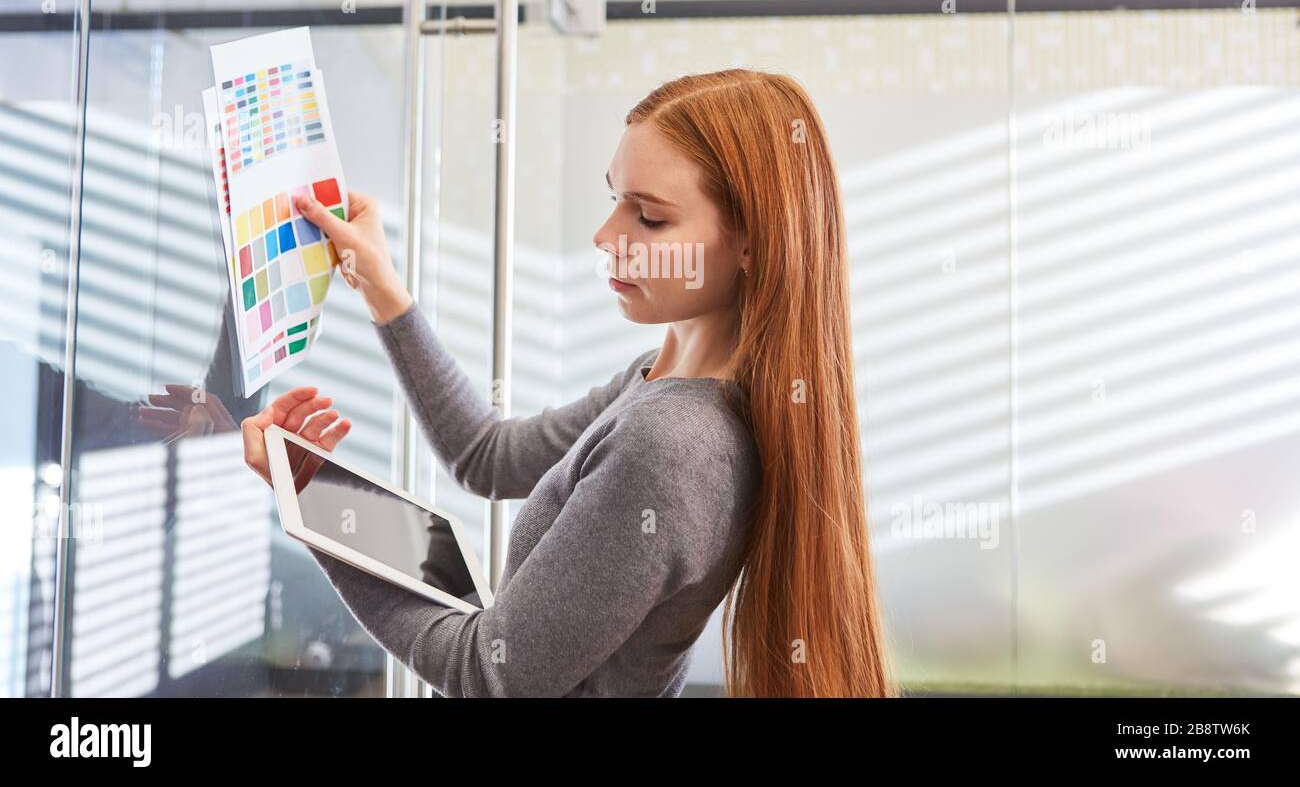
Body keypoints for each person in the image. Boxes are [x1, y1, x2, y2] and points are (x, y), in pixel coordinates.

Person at [240, 68, 898, 697]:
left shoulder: (669, 443)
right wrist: (381, 288)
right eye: (615, 199)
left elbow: (487, 674)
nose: (606, 236)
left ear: (752, 242)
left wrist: (316, 504)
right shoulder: (658, 378)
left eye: (650, 217)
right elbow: (487, 457)